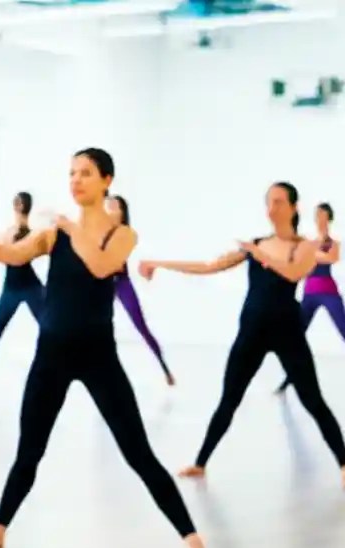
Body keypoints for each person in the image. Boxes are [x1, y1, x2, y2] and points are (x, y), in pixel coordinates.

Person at [0, 148, 219, 548]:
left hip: (98, 355)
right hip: (51, 353)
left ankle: (195, 547)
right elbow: (13, 254)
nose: (75, 180)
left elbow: (102, 265)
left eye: (85, 173)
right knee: (30, 449)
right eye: (71, 173)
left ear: (106, 180)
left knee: (138, 453)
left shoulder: (121, 235)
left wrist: (70, 226)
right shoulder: (52, 234)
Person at [139, 183, 345, 485]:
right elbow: (210, 266)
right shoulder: (256, 244)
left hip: (287, 331)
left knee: (312, 400)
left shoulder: (305, 246)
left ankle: (342, 462)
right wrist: (160, 263)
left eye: (278, 202)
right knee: (229, 399)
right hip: (251, 331)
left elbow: (293, 273)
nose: (271, 209)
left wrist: (260, 254)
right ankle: (200, 462)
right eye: (268, 203)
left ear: (293, 207)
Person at [0, 191, 45, 379]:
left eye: (18, 203)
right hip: (13, 288)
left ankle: (63, 366)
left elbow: (14, 253)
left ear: (22, 207)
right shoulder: (10, 232)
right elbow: (2, 253)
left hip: (30, 286)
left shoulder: (30, 234)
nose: (16, 206)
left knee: (47, 326)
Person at [106, 195, 174, 385]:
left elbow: (120, 258)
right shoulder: (100, 231)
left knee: (140, 324)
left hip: (121, 281)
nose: (110, 209)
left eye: (114, 206)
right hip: (104, 283)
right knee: (97, 325)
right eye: (108, 206)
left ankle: (164, 367)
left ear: (122, 212)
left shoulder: (126, 232)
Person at [276, 202, 343, 393]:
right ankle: (289, 378)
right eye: (317, 215)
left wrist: (312, 254)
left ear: (328, 218)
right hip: (310, 293)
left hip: (329, 292)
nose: (319, 218)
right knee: (297, 336)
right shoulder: (309, 242)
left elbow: (332, 258)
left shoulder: (333, 242)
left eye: (322, 215)